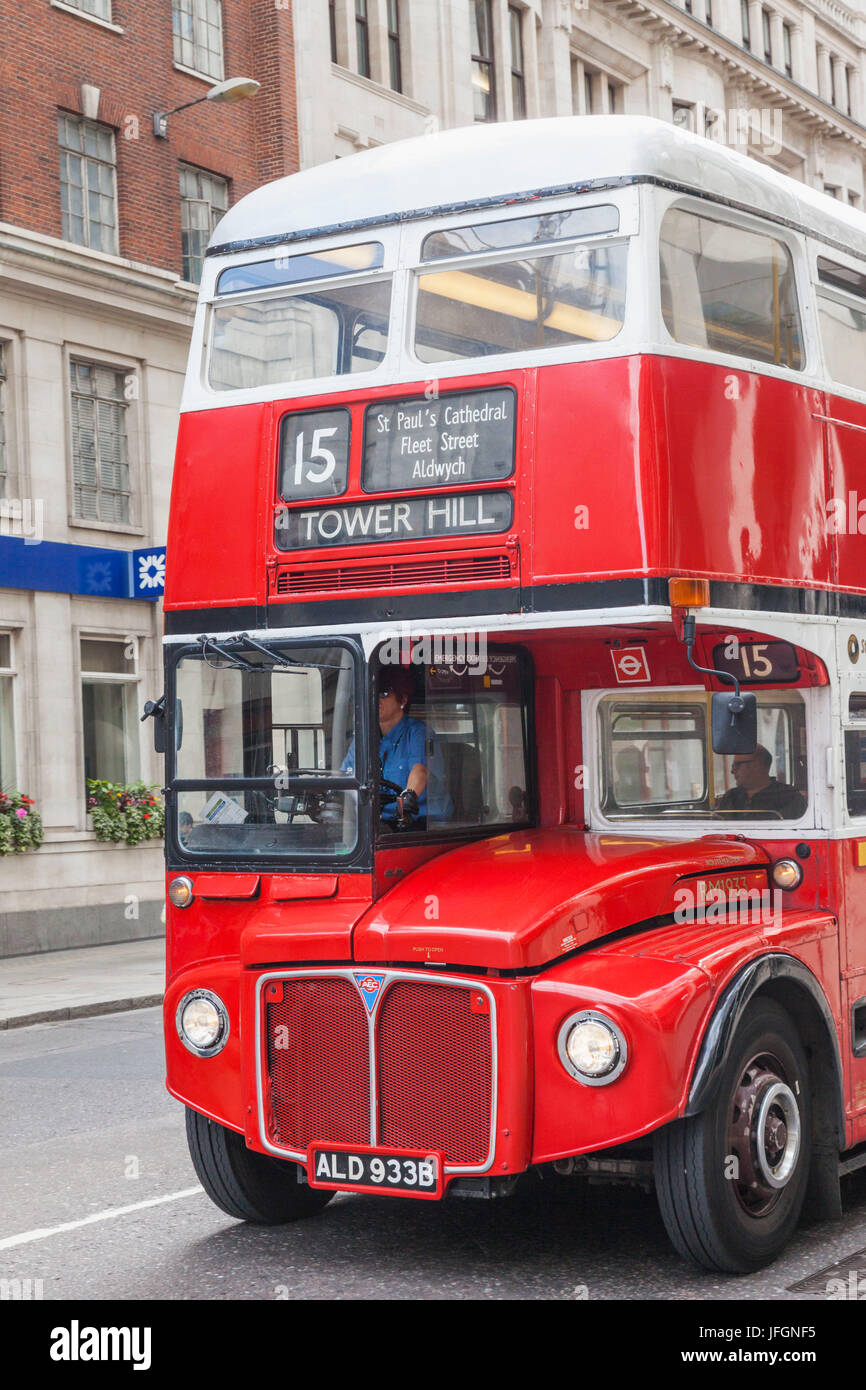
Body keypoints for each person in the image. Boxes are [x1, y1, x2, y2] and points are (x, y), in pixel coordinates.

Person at [716, 745, 806, 818]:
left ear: (757, 765)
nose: (732, 771)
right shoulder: (730, 797)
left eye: (737, 765)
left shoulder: (789, 797)